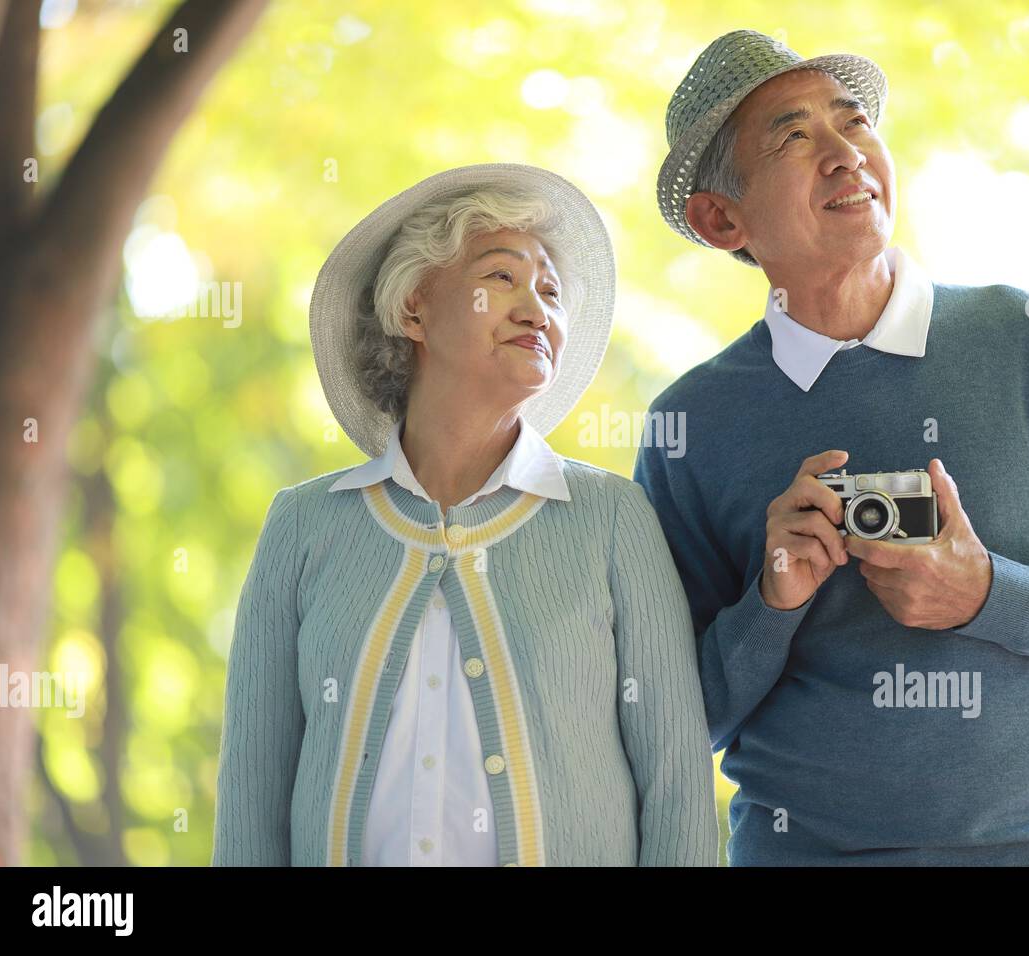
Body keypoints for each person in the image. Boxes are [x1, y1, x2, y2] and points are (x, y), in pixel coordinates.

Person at [635, 30, 1029, 865]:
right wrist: (773, 602)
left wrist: (987, 594)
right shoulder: (691, 424)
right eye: (792, 136)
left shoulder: (1028, 340)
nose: (844, 154)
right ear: (721, 218)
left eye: (854, 122)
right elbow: (677, 723)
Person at [213, 163, 717, 866]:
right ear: (413, 308)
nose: (538, 309)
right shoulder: (303, 527)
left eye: (551, 291)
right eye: (502, 277)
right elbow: (251, 800)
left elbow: (678, 791)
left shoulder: (611, 520)